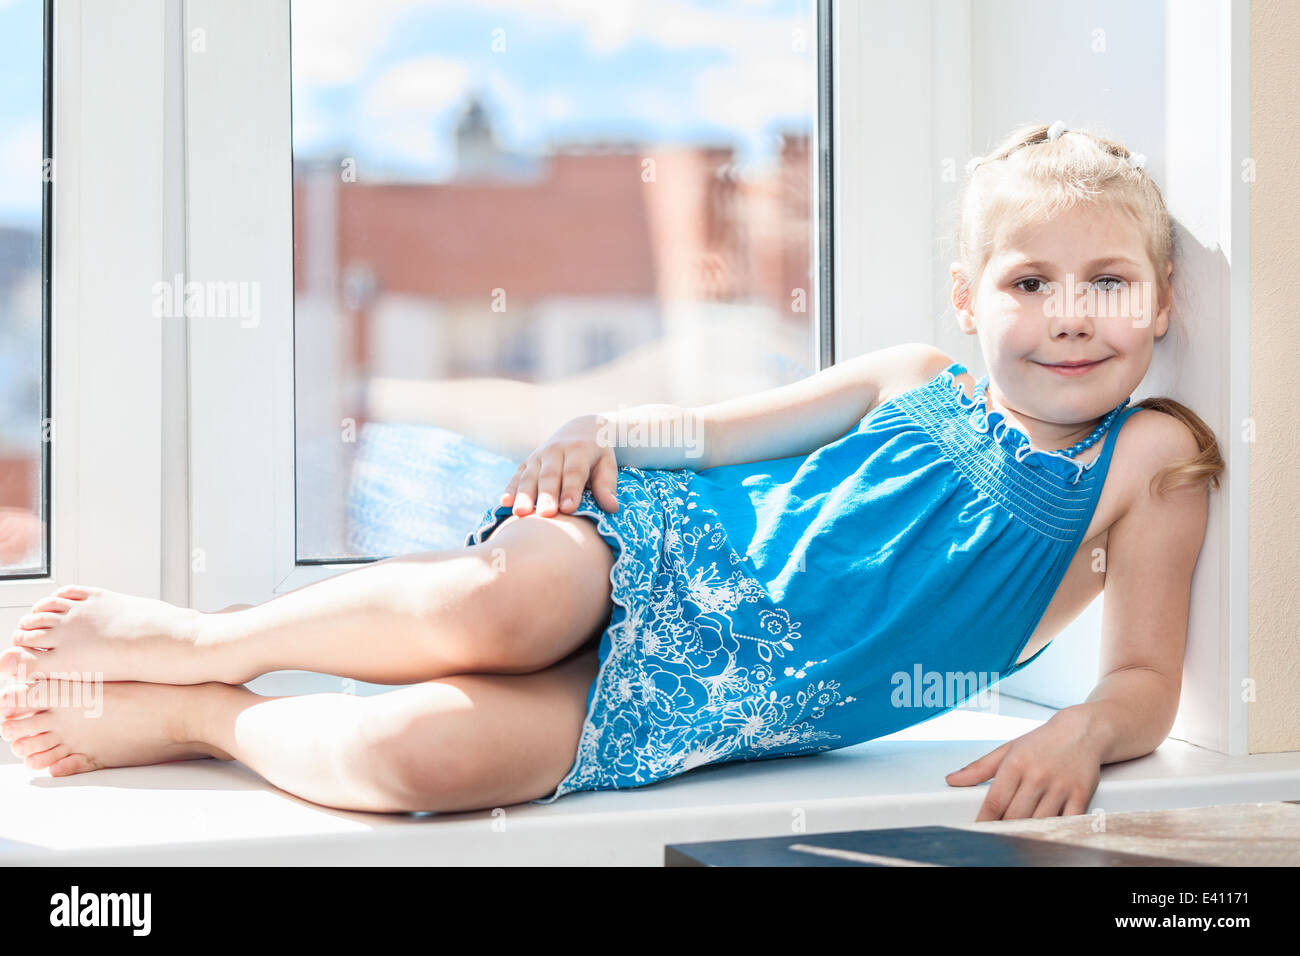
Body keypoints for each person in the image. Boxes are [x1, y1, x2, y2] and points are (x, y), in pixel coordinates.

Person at [0, 121, 1223, 820]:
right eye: (1028, 282)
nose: (1070, 315)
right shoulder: (912, 377)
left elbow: (1146, 680)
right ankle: (207, 638)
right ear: (968, 301)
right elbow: (709, 430)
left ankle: (211, 718)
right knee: (499, 601)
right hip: (664, 543)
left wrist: (1079, 730)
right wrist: (602, 424)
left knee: (419, 764)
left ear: (1160, 304)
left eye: (1107, 282)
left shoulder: (1149, 455)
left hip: (717, 708)